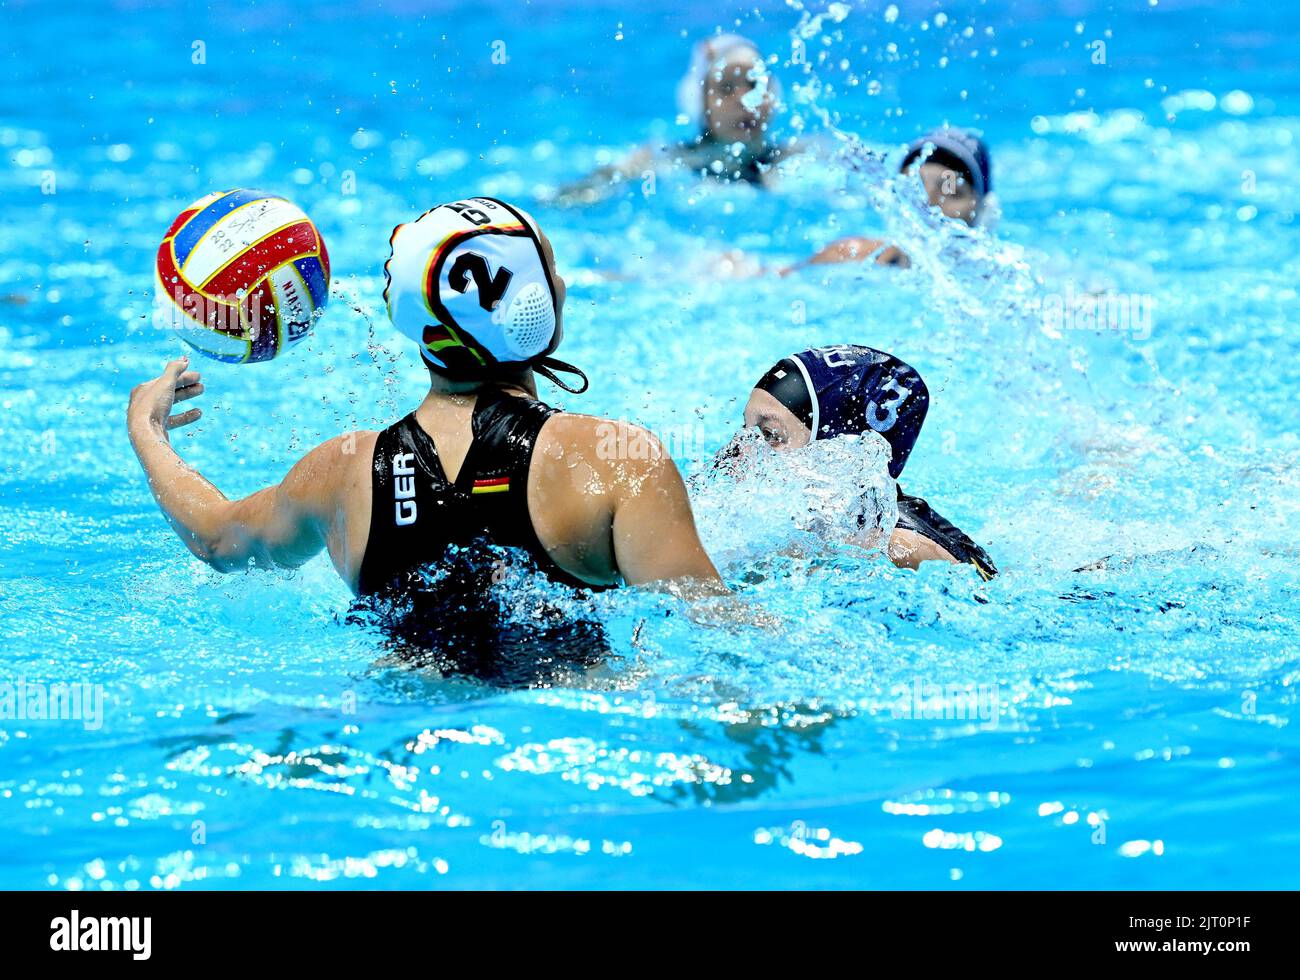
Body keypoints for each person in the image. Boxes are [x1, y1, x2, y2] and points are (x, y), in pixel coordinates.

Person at [127, 196, 725, 612]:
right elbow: (714, 633)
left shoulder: (340, 472)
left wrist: (148, 433)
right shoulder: (614, 458)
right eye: (549, 270)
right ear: (531, 308)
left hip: (393, 713)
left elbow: (217, 540)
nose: (563, 283)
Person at [737, 344, 997, 579]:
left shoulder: (902, 548)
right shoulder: (822, 523)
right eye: (746, 429)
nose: (744, 452)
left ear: (841, 452)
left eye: (770, 434)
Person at [554, 34, 789, 204]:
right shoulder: (666, 158)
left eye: (755, 84)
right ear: (701, 104)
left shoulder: (796, 159)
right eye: (726, 88)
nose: (745, 99)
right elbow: (592, 186)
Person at [792, 126, 994, 270]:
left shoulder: (1001, 284)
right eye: (914, 188)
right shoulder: (848, 258)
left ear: (984, 211)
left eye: (950, 192)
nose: (928, 204)